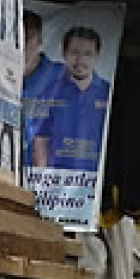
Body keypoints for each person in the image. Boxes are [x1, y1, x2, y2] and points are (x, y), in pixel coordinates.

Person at [32, 26, 112, 171]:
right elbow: (41, 140)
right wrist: (43, 178)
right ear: (64, 54)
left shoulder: (109, 93)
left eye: (87, 54)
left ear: (97, 56)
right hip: (57, 182)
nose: (80, 60)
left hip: (96, 183)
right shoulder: (49, 93)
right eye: (74, 52)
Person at [21, 10, 64, 164]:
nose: (23, 43)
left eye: (28, 36)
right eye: (18, 35)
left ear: (40, 40)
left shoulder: (62, 75)